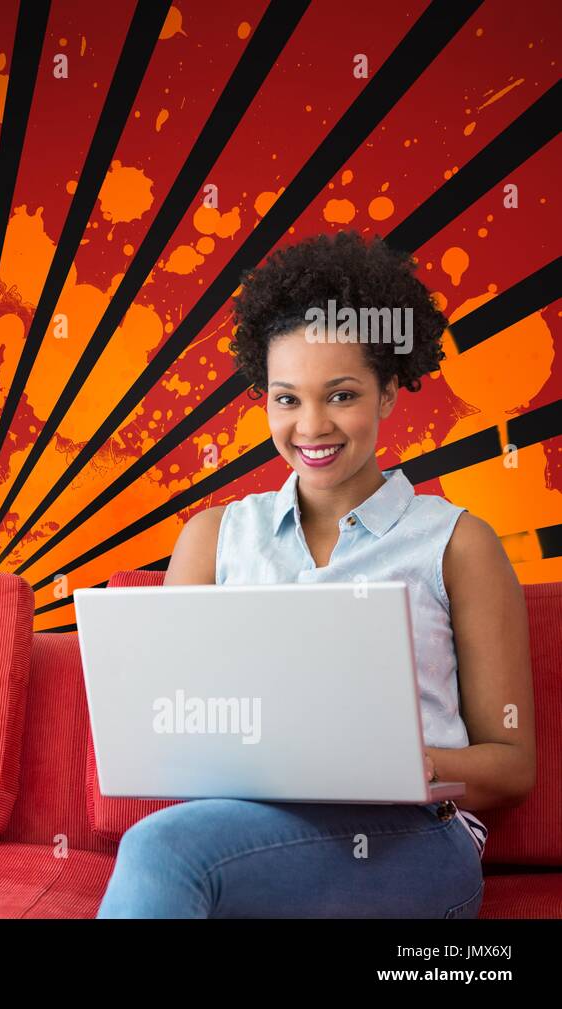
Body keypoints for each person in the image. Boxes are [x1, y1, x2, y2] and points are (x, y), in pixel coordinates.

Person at [97, 231, 536, 918]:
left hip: (415, 837)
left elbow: (512, 763)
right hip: (253, 829)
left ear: (389, 392)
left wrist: (415, 765)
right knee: (172, 846)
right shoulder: (212, 539)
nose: (311, 425)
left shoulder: (456, 542)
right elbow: (175, 739)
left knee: (163, 852)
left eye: (340, 395)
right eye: (287, 398)